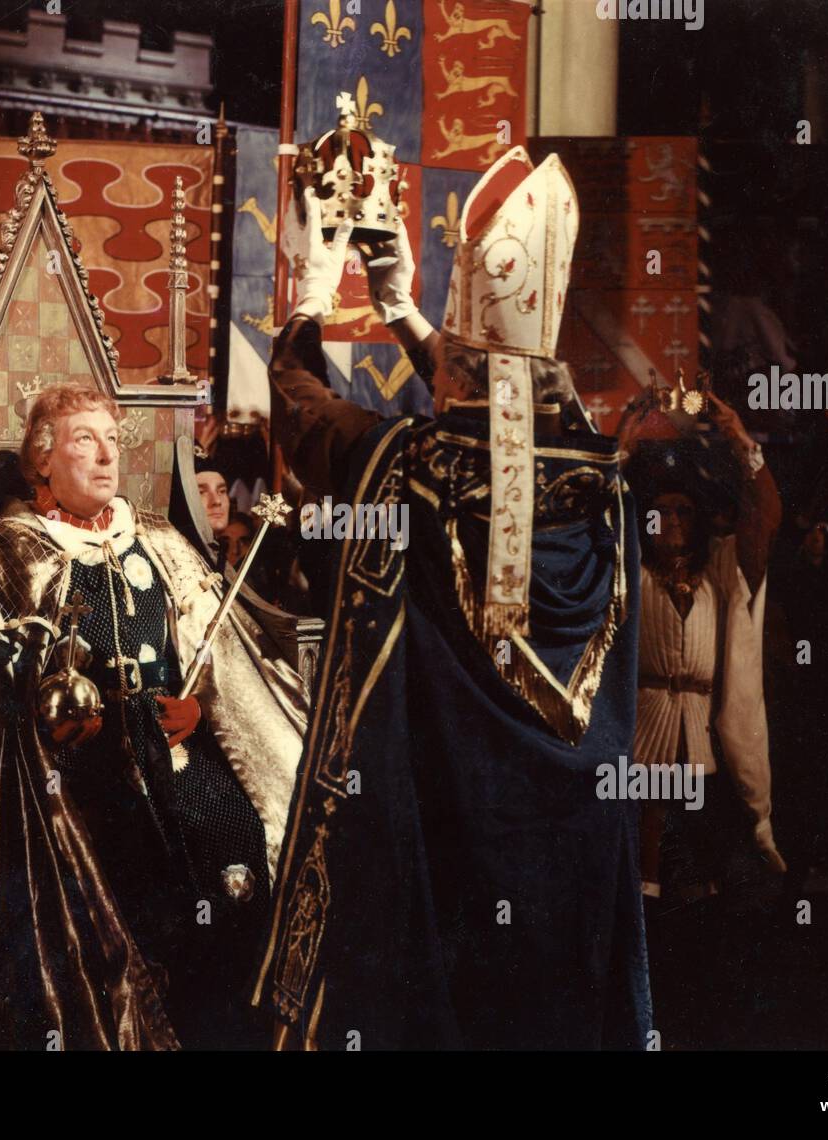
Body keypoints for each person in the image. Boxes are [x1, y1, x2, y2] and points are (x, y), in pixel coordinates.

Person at [256, 148, 650, 1050]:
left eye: (449, 368)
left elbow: (303, 412)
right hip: (575, 831)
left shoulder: (415, 469)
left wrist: (313, 296)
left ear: (463, 381)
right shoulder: (607, 484)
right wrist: (404, 313)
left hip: (456, 829)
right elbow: (520, 411)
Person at [0, 383, 307, 1050]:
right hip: (71, 767)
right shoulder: (1, 550)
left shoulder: (156, 536)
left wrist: (200, 705)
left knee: (228, 828)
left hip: (174, 749)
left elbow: (219, 656)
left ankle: (226, 1028)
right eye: (83, 440)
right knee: (127, 853)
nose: (105, 456)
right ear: (42, 462)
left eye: (113, 441)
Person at [616, 400, 787, 907]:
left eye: (683, 511)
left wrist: (742, 442)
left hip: (705, 741)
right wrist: (622, 448)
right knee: (643, 877)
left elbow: (764, 523)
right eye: (660, 511)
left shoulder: (718, 570)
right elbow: (598, 518)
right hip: (641, 737)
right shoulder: (631, 570)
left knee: (697, 878)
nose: (671, 520)